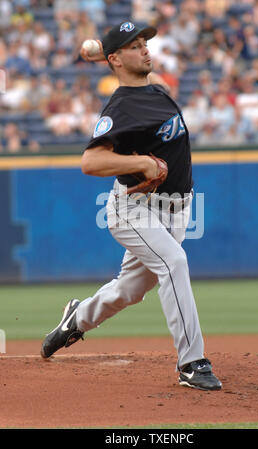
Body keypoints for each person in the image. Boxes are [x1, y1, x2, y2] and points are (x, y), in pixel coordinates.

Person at [40, 21, 222, 392]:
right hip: (135, 208)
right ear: (117, 59)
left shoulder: (154, 91)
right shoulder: (121, 107)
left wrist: (108, 54)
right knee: (174, 263)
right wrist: (138, 163)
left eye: (144, 43)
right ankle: (192, 362)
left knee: (130, 290)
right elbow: (91, 162)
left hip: (175, 210)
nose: (145, 49)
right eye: (135, 45)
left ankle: (78, 318)